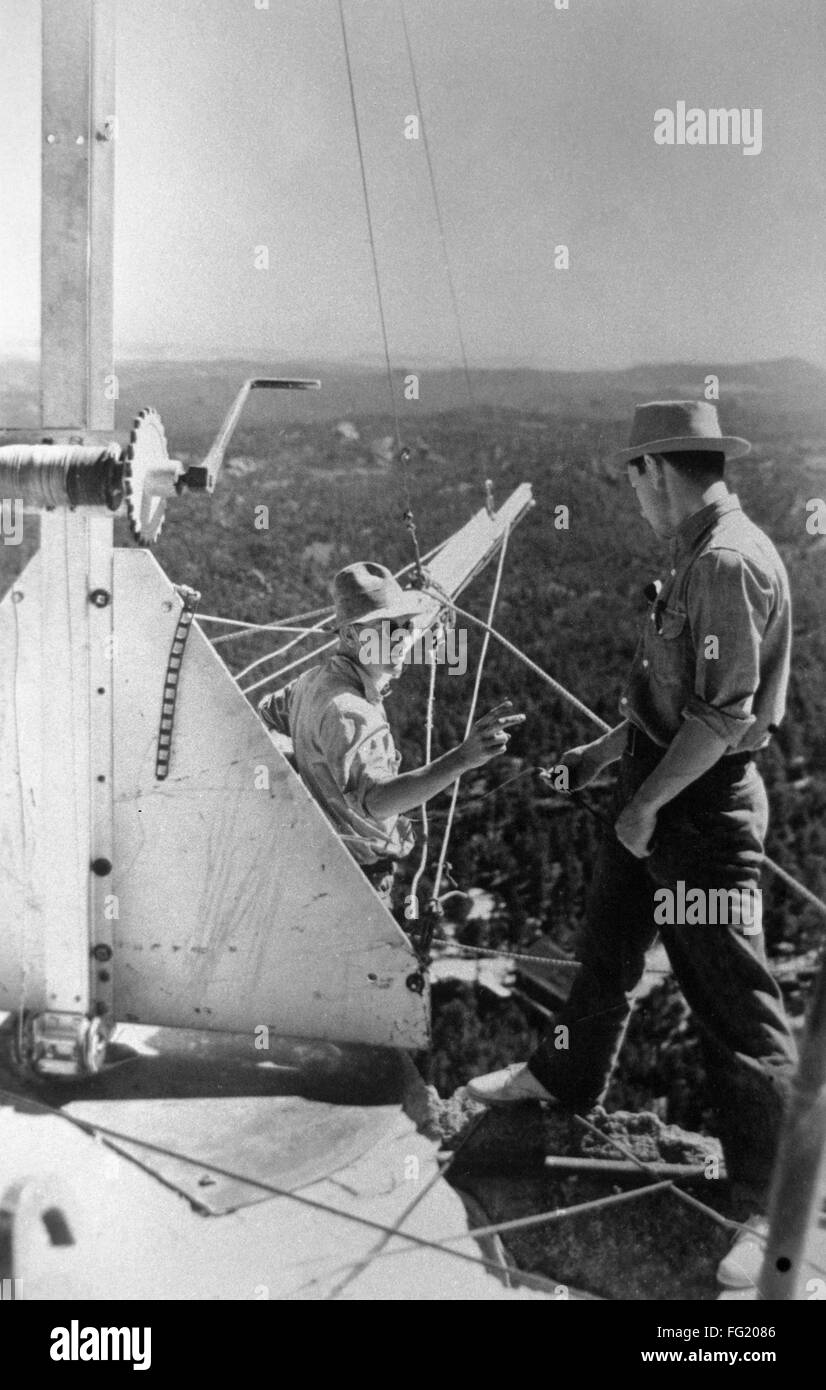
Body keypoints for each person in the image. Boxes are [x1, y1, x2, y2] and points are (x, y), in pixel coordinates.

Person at [467, 400, 799, 1291]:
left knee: (735, 1009)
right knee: (607, 951)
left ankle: (779, 1211)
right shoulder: (698, 552)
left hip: (700, 809)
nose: (636, 496)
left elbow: (723, 718)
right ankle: (565, 1078)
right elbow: (674, 697)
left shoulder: (724, 561)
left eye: (635, 478)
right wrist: (605, 754)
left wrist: (646, 807)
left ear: (657, 469)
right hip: (659, 787)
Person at [260, 561, 523, 902]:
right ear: (351, 635)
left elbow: (267, 710)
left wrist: (307, 760)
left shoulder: (310, 683)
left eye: (407, 626)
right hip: (357, 883)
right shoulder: (350, 712)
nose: (403, 639)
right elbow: (377, 800)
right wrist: (463, 758)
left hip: (320, 863)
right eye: (388, 629)